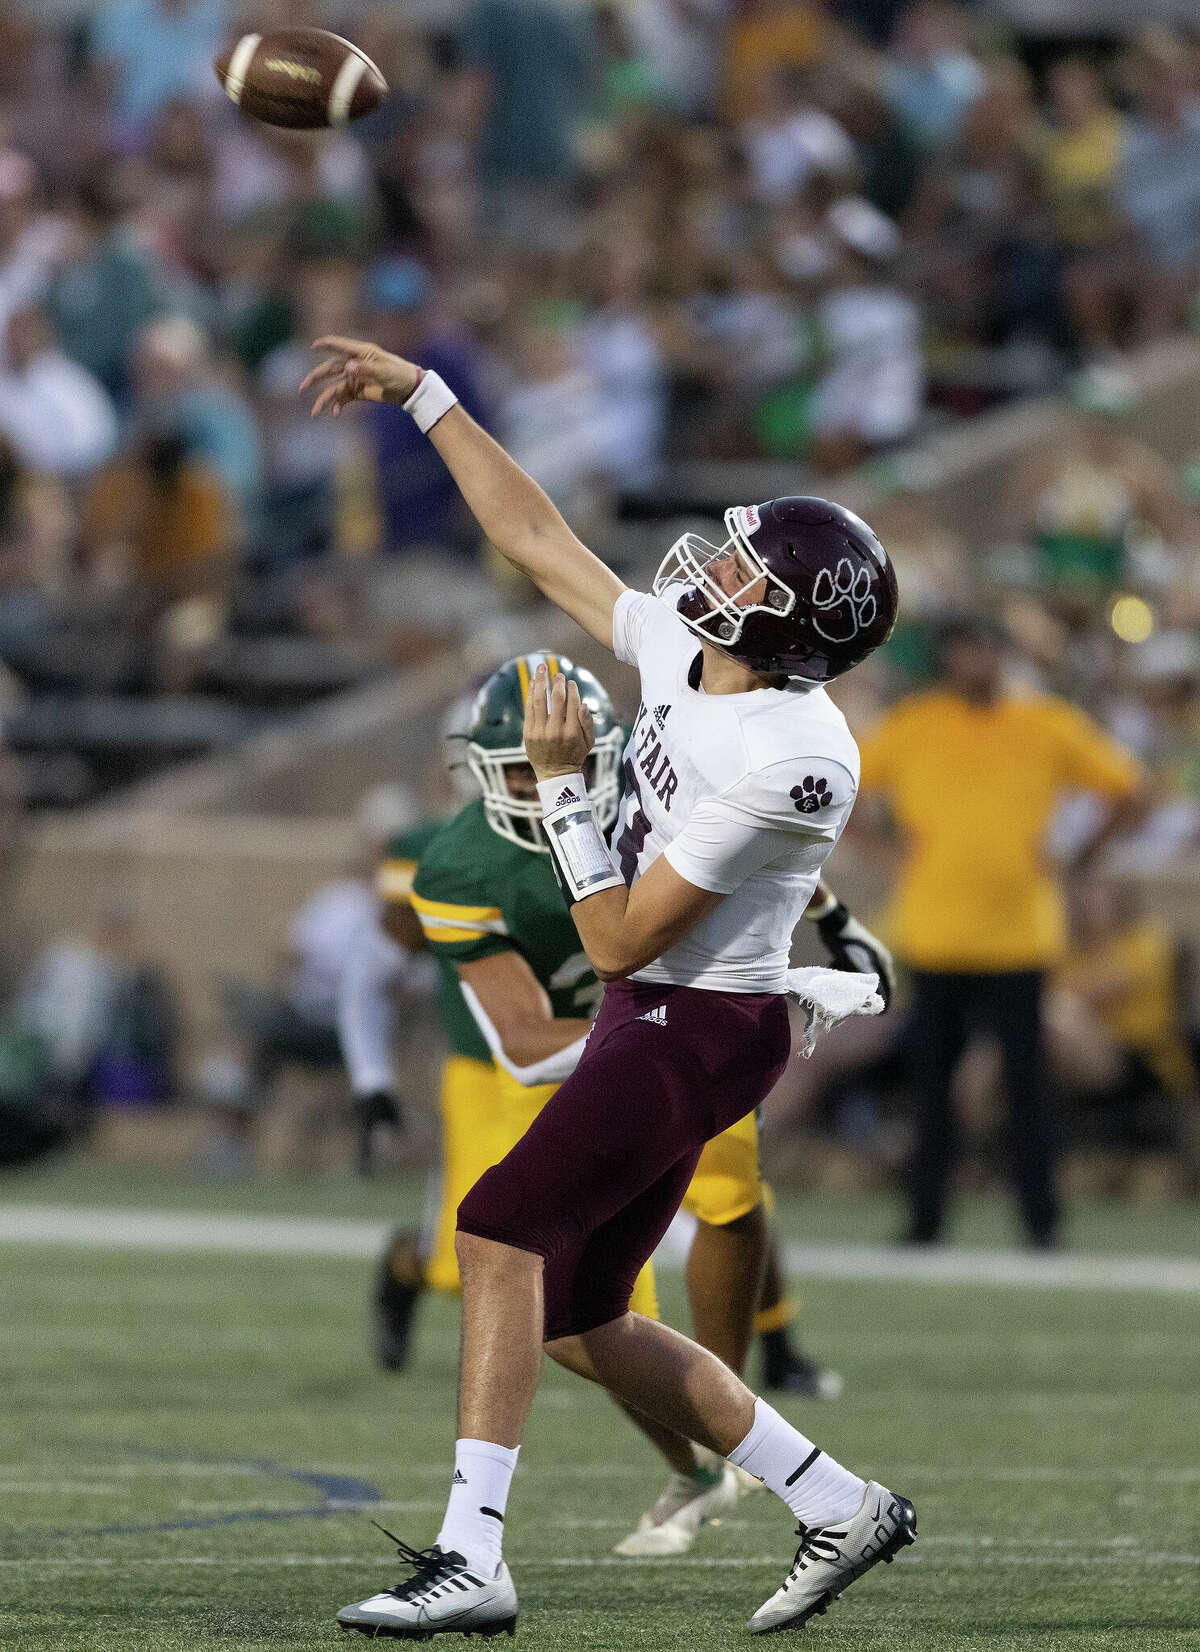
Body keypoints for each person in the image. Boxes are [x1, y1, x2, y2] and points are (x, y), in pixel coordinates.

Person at [303, 335, 911, 1638]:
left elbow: (625, 940)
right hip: (666, 1014)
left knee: (496, 1228)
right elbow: (539, 541)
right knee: (582, 1305)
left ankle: (473, 1556)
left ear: (789, 623)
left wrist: (572, 797)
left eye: (749, 568)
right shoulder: (703, 659)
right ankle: (840, 1500)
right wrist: (429, 398)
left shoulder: (798, 755)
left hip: (696, 1022)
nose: (716, 567)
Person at [349, 655, 860, 1542]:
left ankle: (774, 1432)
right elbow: (518, 1037)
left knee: (733, 1201)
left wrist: (827, 922)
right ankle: (717, 1472)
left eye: (554, 766)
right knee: (556, 1297)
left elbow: (757, 832)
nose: (537, 784)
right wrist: (672, 1034)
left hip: (672, 1031)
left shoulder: (652, 795)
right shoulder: (457, 865)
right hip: (553, 1058)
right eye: (513, 770)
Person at [856, 613, 1149, 1247]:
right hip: (935, 933)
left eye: (990, 648)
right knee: (931, 1086)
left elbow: (1130, 790)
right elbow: (843, 785)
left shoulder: (1044, 722)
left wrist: (1080, 857)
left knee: (1027, 1087)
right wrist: (883, 854)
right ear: (947, 657)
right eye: (967, 648)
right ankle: (924, 1219)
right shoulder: (916, 724)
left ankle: (1041, 1222)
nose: (980, 663)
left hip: (1020, 935)